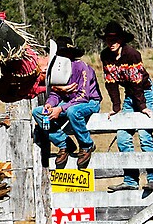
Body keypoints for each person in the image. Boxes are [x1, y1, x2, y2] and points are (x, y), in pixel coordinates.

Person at [99, 22, 153, 192]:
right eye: (108, 39)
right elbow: (110, 82)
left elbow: (137, 82)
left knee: (144, 134)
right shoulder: (106, 56)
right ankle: (130, 179)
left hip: (144, 92)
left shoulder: (132, 54)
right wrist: (116, 106)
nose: (111, 42)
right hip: (130, 94)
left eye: (115, 39)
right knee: (123, 136)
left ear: (121, 40)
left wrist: (142, 106)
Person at [32, 36, 102, 169]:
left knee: (73, 111)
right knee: (38, 112)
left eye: (63, 53)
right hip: (67, 102)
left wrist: (60, 109)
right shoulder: (56, 70)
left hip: (90, 102)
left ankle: (86, 145)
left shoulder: (82, 67)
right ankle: (64, 144)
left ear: (70, 54)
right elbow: (56, 93)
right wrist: (50, 104)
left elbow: (83, 96)